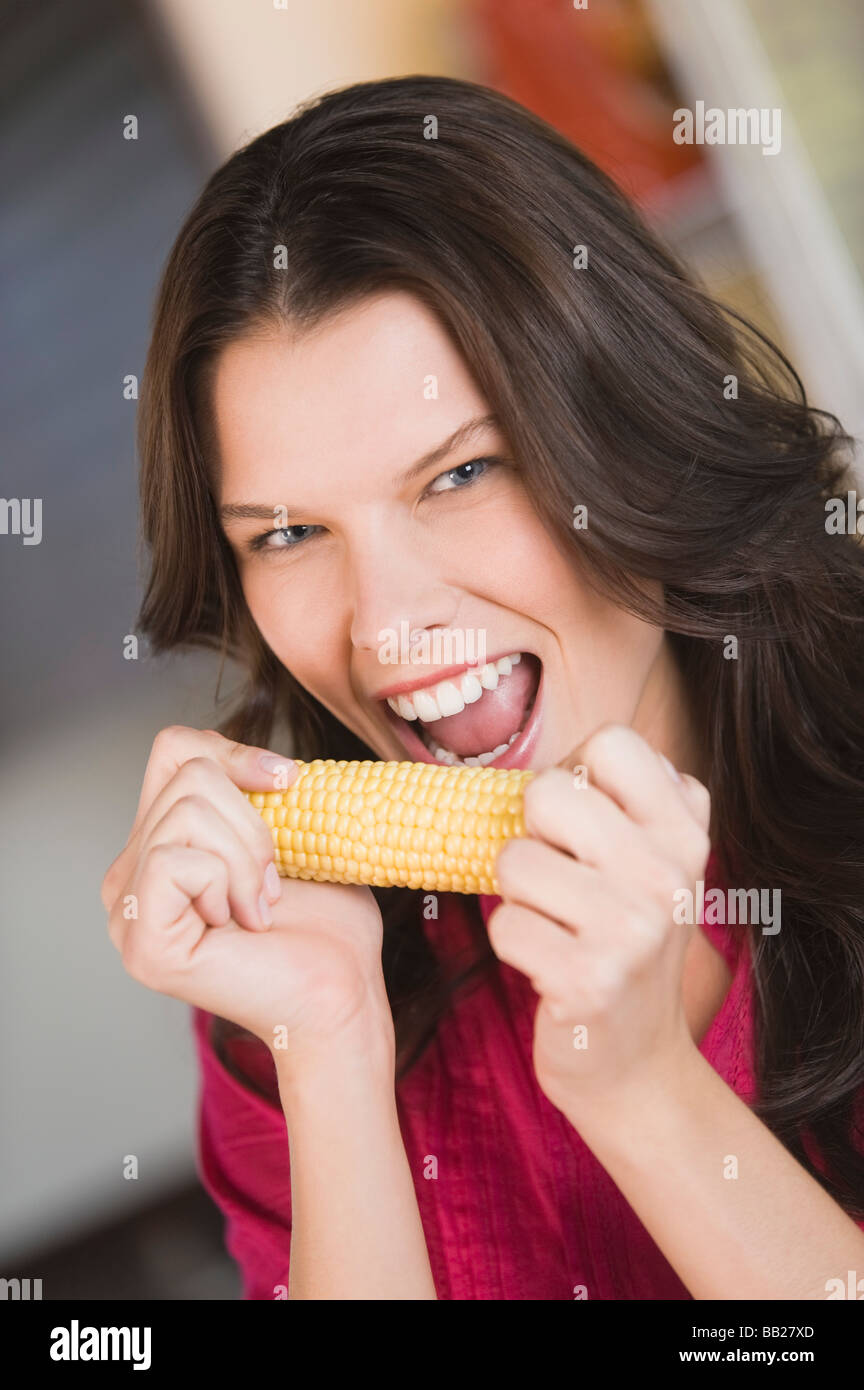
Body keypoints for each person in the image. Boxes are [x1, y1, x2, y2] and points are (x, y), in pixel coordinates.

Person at [100, 76, 864, 1299]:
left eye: (461, 475)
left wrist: (645, 1093)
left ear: (624, 425)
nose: (388, 621)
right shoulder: (292, 957)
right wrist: (332, 1043)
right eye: (289, 535)